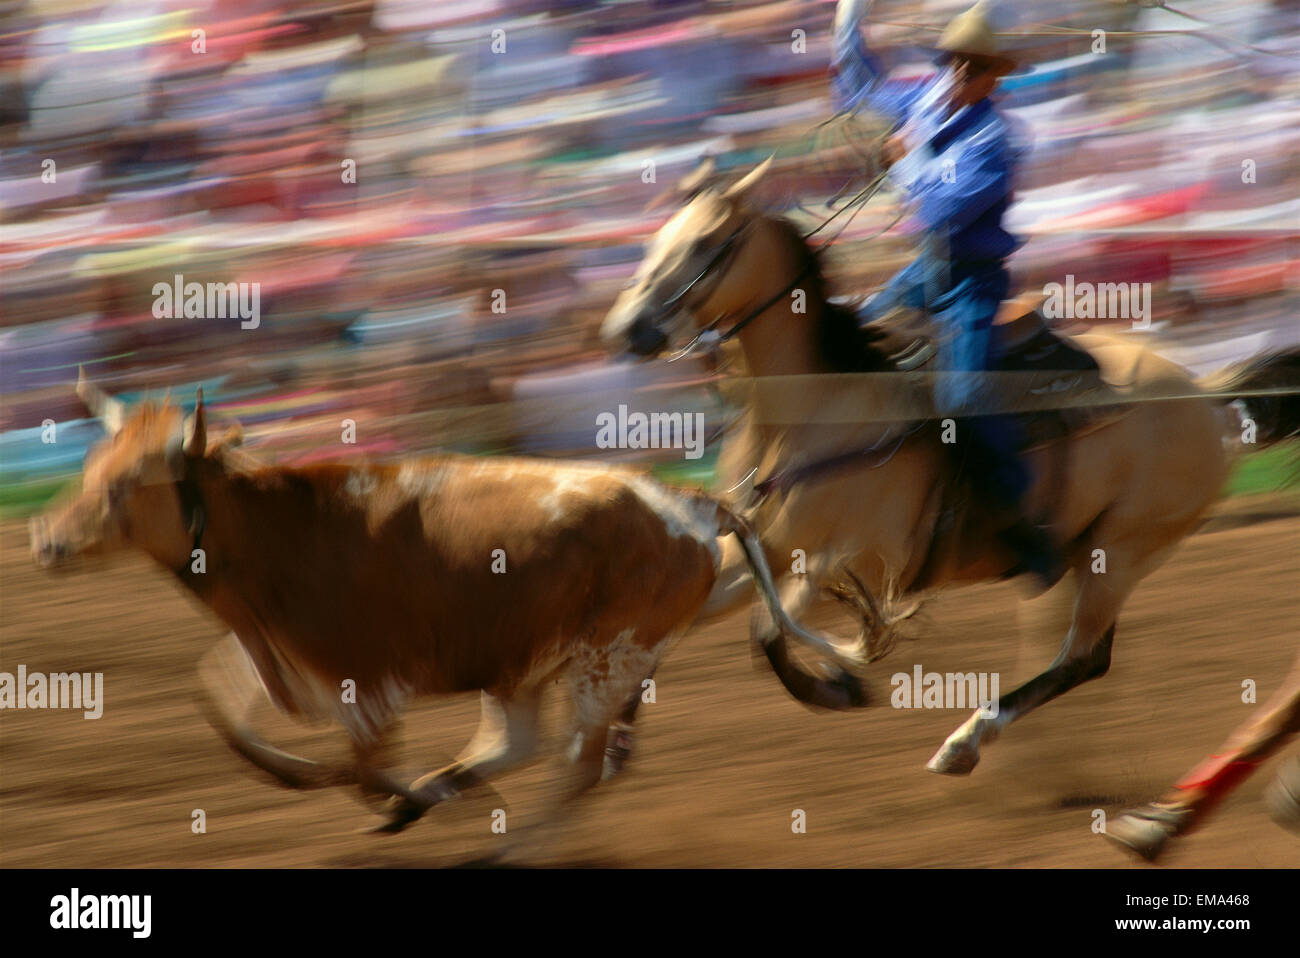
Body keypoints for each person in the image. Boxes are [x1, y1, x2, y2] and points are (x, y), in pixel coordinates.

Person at [831, 0, 1061, 586]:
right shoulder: (927, 98)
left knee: (962, 397)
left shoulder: (997, 139)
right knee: (846, 346)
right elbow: (860, 96)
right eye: (956, 60)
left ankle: (1016, 519)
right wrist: (847, 20)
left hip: (972, 283)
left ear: (994, 76)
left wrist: (905, 160)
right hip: (923, 272)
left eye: (975, 65)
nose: (961, 72)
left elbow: (940, 208)